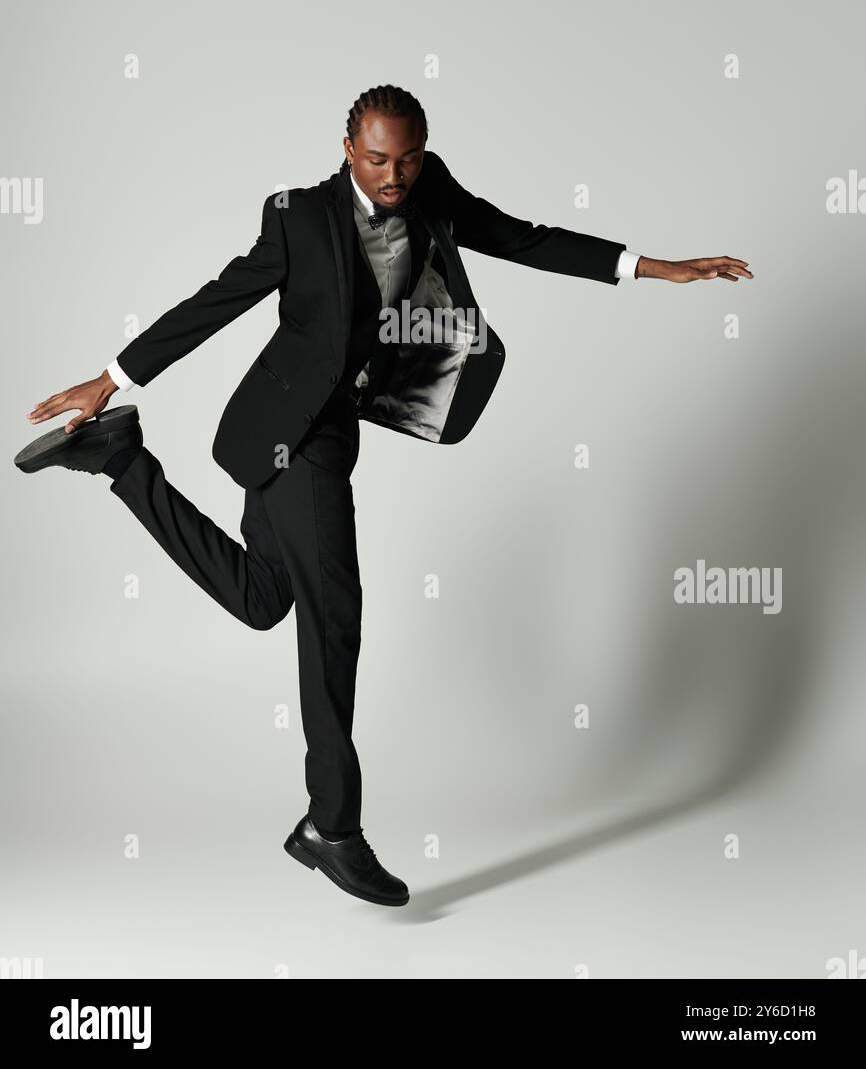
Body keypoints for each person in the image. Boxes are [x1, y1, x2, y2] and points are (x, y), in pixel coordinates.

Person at [15, 83, 753, 906]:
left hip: (334, 432)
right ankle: (333, 826)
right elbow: (217, 301)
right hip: (288, 435)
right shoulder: (297, 218)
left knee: (264, 601)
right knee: (335, 619)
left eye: (407, 157)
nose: (395, 174)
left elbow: (526, 239)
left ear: (424, 148)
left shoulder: (430, 187)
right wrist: (110, 379)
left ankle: (124, 465)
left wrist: (652, 267)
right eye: (377, 159)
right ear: (346, 148)